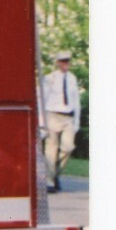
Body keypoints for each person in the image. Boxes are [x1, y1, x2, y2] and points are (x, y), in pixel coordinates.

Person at [40, 50, 82, 193]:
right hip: (52, 115)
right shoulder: (50, 78)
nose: (65, 64)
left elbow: (76, 101)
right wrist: (42, 122)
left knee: (68, 147)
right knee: (51, 149)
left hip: (68, 117)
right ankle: (50, 182)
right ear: (58, 63)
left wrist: (76, 121)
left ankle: (55, 173)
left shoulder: (72, 79)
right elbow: (42, 99)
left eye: (67, 61)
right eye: (63, 61)